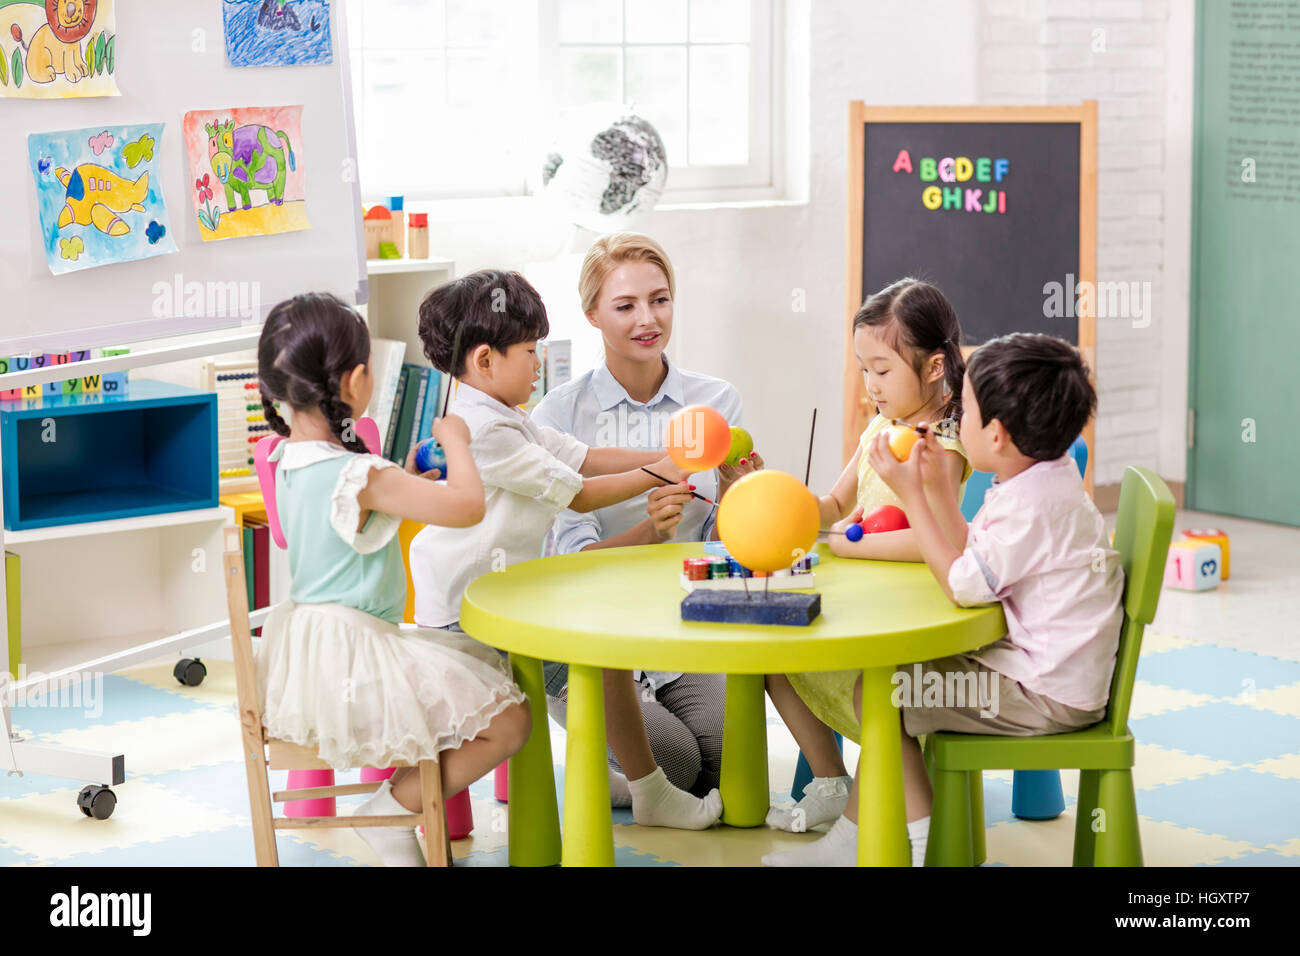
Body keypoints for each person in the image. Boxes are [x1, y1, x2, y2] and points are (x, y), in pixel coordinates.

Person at [765, 332, 1121, 867]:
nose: (958, 420)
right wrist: (932, 489)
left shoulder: (1032, 506)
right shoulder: (1044, 479)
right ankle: (861, 836)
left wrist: (912, 495)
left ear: (996, 435)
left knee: (884, 695)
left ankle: (922, 847)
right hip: (1054, 675)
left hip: (1044, 692)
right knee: (886, 686)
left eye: (967, 411)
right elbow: (974, 547)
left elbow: (963, 584)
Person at [406, 270, 718, 825]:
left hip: (506, 597)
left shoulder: (507, 417)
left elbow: (586, 457)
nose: (538, 363)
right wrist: (662, 471)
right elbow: (579, 493)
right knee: (598, 653)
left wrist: (669, 453)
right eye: (530, 351)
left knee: (606, 650)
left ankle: (645, 788)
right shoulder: (483, 431)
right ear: (485, 361)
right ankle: (651, 791)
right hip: (470, 615)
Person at [255, 292, 531, 867]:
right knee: (510, 723)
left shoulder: (287, 459)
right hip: (358, 659)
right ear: (357, 380)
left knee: (476, 689)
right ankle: (393, 809)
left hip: (310, 665)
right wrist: (457, 442)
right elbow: (468, 506)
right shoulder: (360, 472)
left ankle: (393, 817)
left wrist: (402, 479)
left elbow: (347, 522)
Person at [531, 233, 762, 830]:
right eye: (625, 305)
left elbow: (727, 547)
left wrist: (739, 497)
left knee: (727, 761)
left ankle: (626, 771)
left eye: (660, 300)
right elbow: (571, 563)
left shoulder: (716, 402)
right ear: (592, 314)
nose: (648, 319)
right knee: (679, 766)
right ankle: (612, 767)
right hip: (592, 634)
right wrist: (649, 534)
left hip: (681, 627)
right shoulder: (558, 416)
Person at [763, 278, 971, 847]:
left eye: (882, 369)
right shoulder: (880, 426)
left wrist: (850, 546)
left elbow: (935, 541)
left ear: (933, 367)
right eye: (863, 369)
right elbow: (834, 505)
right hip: (863, 599)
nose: (870, 384)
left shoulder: (940, 444)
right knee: (772, 658)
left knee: (870, 688)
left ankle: (865, 827)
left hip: (910, 613)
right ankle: (831, 783)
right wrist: (778, 498)